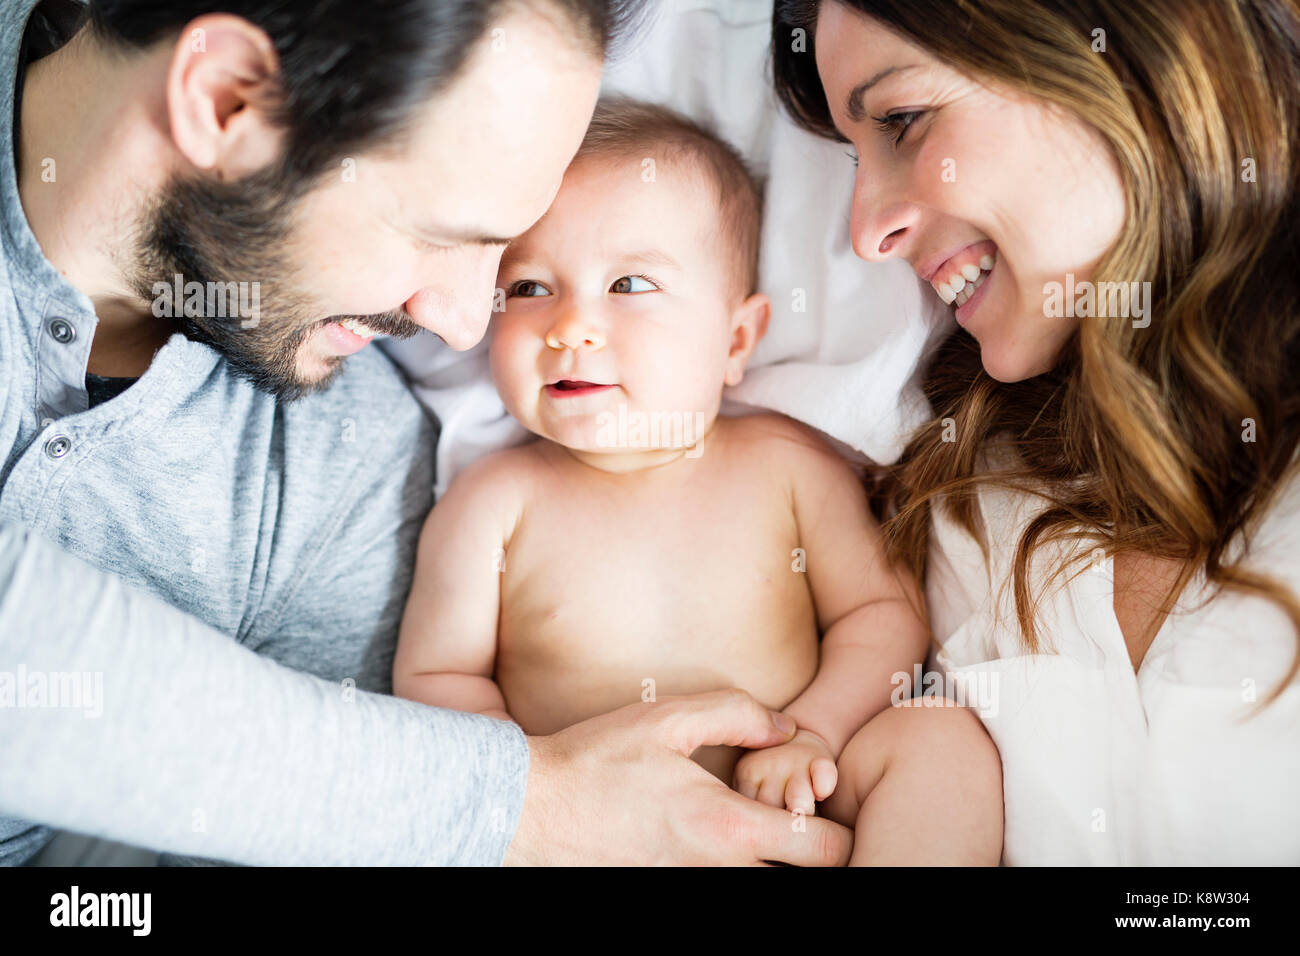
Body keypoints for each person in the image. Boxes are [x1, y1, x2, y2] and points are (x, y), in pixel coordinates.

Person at [0, 0, 853, 867]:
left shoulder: (349, 466)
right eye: (439, 234)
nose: (461, 326)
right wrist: (524, 809)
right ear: (224, 100)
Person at [393, 99, 1004, 863]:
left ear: (737, 339)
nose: (569, 327)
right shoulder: (492, 503)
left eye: (629, 285)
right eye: (529, 289)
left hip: (788, 801)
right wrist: (538, 795)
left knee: (940, 743)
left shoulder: (786, 466)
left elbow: (881, 612)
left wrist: (814, 731)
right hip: (597, 835)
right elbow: (437, 677)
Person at [772, 0, 1300, 863]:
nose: (866, 233)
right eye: (851, 154)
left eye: (902, 120)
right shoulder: (958, 510)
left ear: (1128, 49)